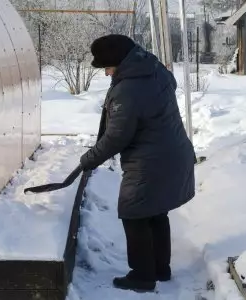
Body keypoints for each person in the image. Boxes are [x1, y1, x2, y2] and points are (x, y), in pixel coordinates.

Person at [79, 34, 196, 293]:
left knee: (133, 213)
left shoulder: (128, 90)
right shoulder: (153, 69)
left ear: (119, 62)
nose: (107, 73)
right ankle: (159, 269)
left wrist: (89, 159)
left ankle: (142, 276)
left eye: (107, 67)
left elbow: (116, 137)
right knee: (155, 211)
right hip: (173, 153)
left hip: (151, 162)